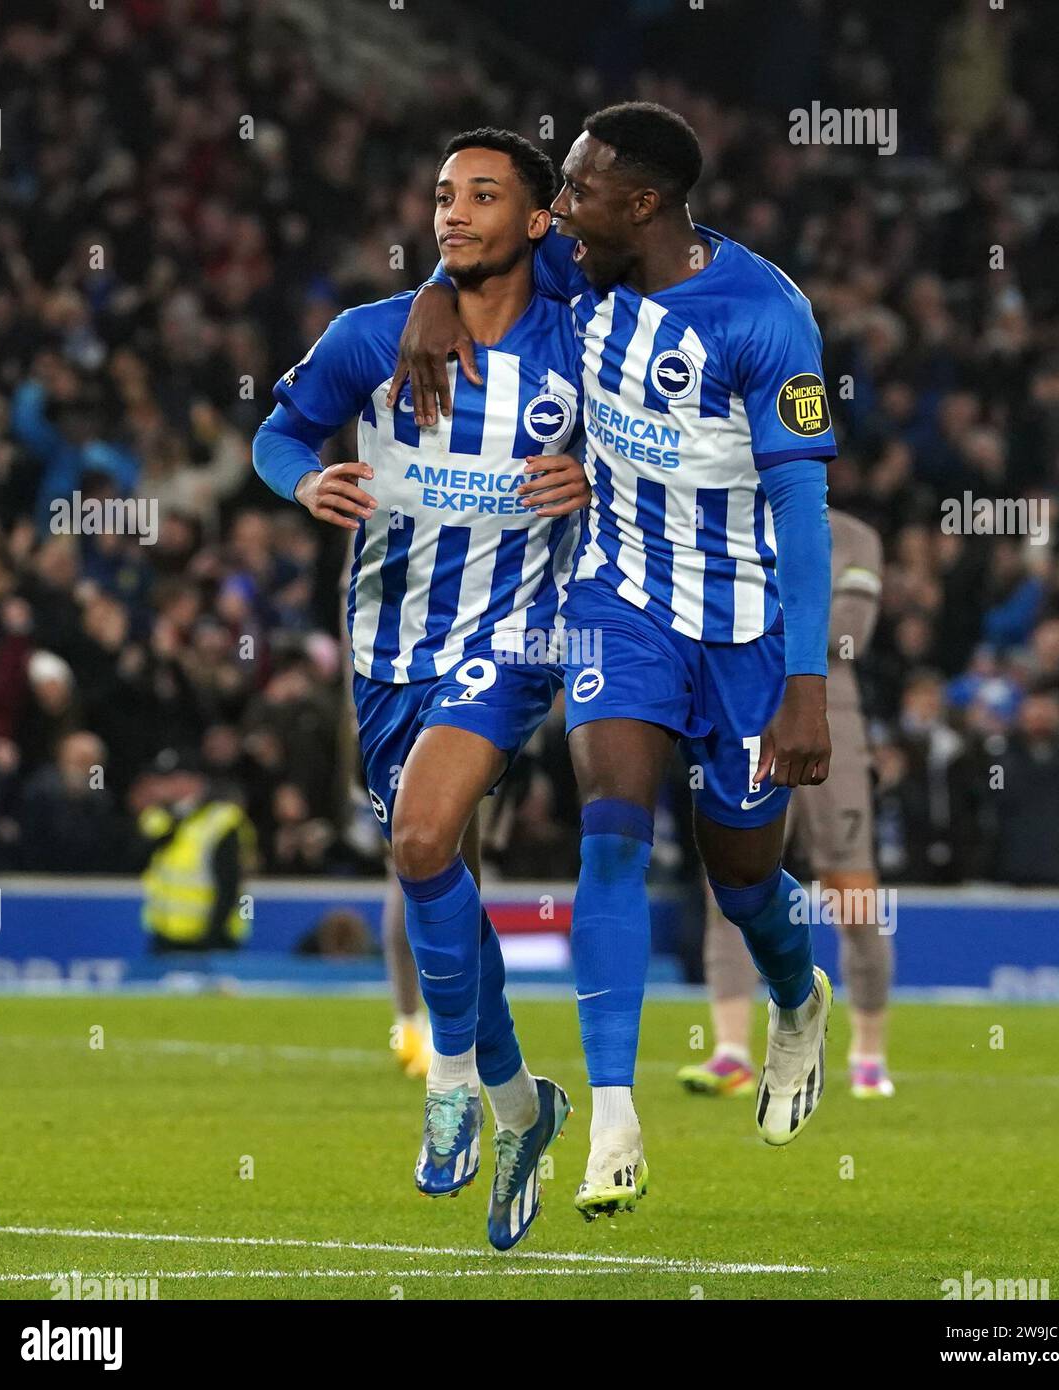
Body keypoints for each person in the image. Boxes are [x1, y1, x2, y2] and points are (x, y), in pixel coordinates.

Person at [396, 103, 837, 1221]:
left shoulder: (763, 317)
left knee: (741, 882)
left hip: (741, 632)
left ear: (640, 204)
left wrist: (803, 683)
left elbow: (803, 509)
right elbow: (478, 254)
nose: (559, 214)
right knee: (610, 828)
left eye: (581, 191)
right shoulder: (581, 273)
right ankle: (610, 1118)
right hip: (617, 600)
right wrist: (429, 298)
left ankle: (796, 999)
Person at [253, 129, 590, 1251]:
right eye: (445, 194)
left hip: (514, 632)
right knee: (435, 863)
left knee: (420, 838)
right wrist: (306, 480)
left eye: (485, 195)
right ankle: (517, 1105)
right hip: (385, 642)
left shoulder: (584, 344)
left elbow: (666, 440)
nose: (453, 211)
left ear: (538, 221)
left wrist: (595, 473)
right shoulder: (371, 334)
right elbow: (276, 430)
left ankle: (446, 1077)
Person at [677, 511, 896, 1100]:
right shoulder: (733, 513)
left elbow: (851, 631)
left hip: (831, 717)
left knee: (852, 894)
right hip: (745, 710)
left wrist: (753, 615)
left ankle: (869, 1053)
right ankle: (730, 1051)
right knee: (730, 879)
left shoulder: (855, 536)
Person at [136, 748, 256, 952]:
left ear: (192, 781)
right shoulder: (155, 818)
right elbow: (135, 862)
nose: (160, 786)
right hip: (166, 935)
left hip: (213, 937)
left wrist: (214, 934)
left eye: (170, 779)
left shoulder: (223, 820)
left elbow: (230, 883)